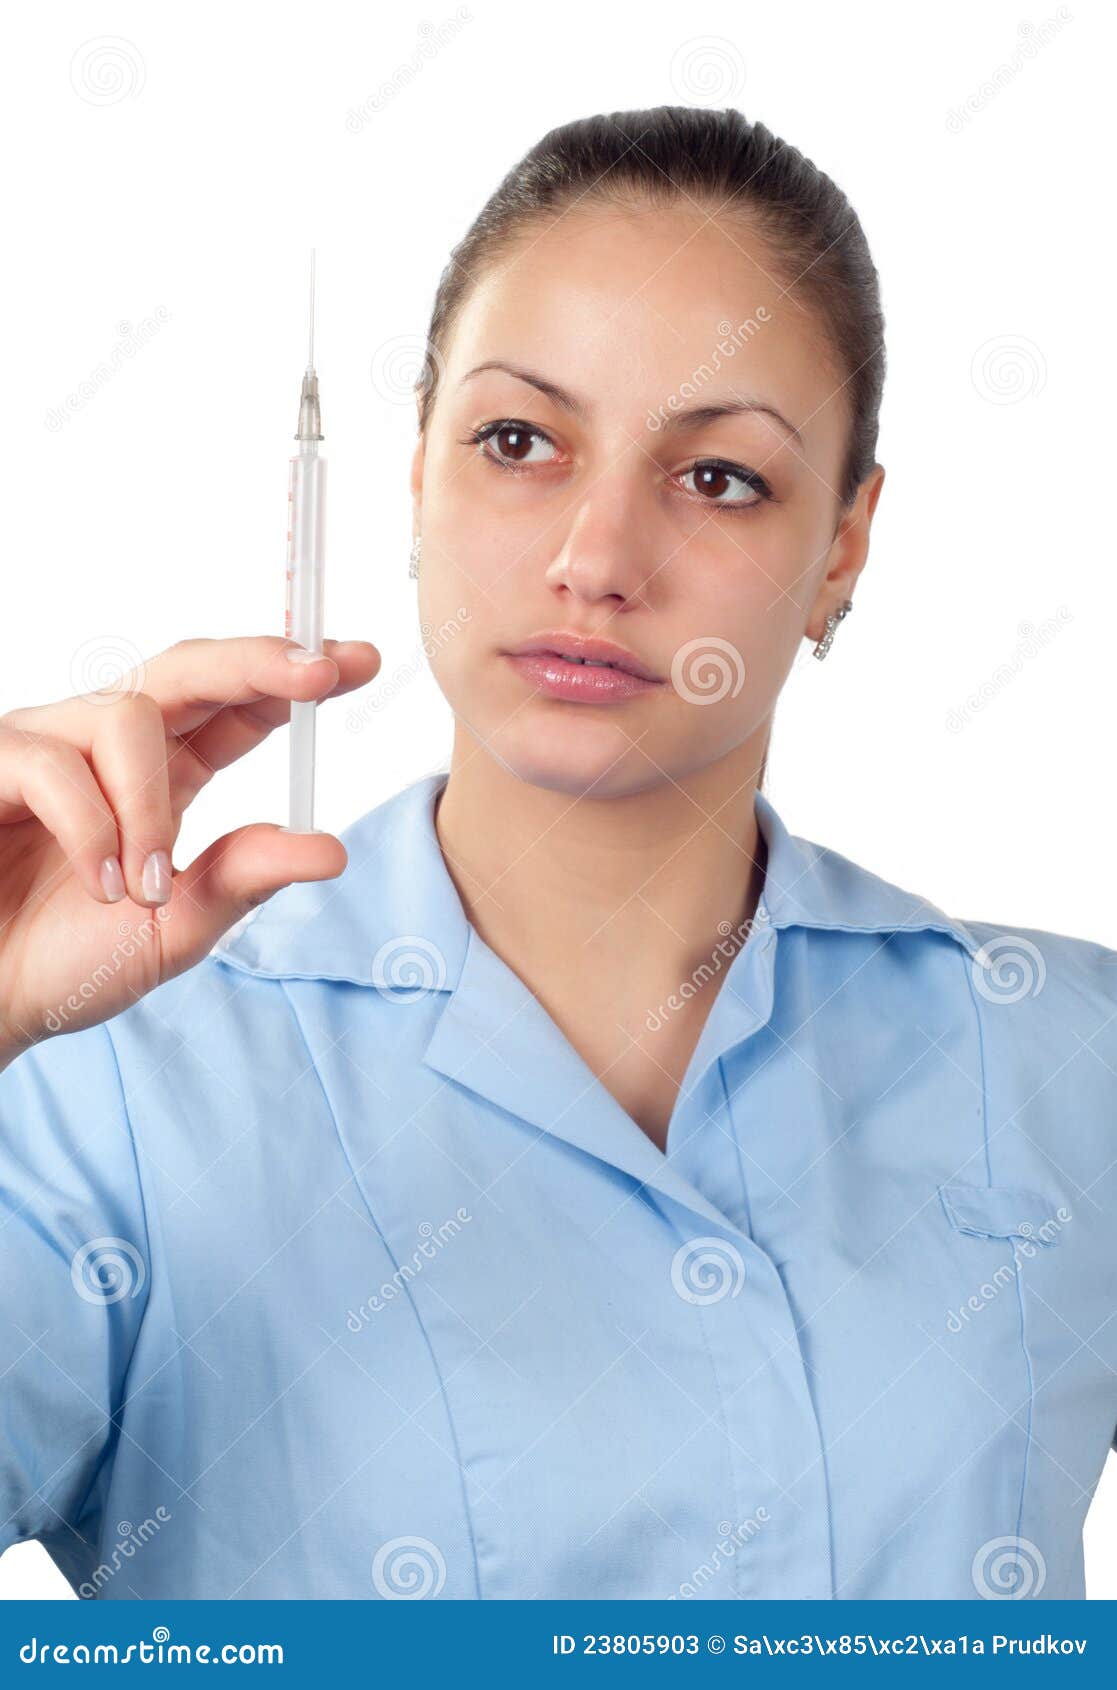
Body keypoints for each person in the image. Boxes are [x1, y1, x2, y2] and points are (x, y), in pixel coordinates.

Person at [1, 105, 1114, 1604]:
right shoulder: (104, 1079)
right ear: (412, 473)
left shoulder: (1062, 1059)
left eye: (716, 474)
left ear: (841, 546)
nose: (595, 558)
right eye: (519, 441)